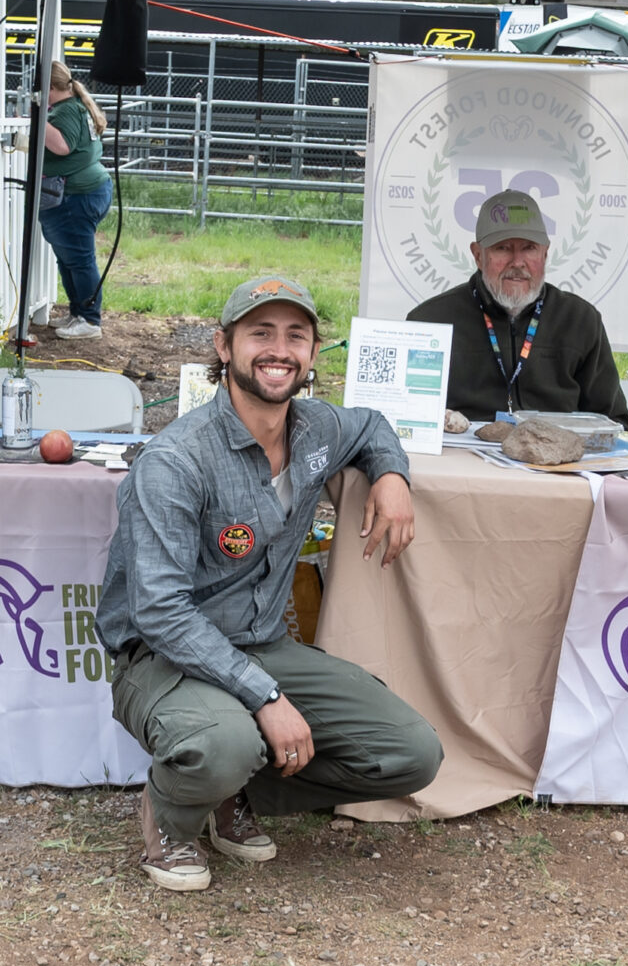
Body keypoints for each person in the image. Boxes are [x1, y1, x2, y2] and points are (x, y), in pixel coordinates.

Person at [99, 273, 439, 892]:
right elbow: (162, 614)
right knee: (223, 744)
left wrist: (391, 476)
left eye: (296, 335)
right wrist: (266, 697)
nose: (278, 349)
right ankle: (173, 813)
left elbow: (372, 425)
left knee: (411, 753)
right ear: (223, 347)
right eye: (260, 333)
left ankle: (235, 794)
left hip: (260, 642)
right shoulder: (177, 461)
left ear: (312, 354)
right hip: (163, 656)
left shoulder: (315, 431)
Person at [407, 189, 628, 423]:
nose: (517, 262)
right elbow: (408, 418)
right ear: (478, 255)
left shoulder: (580, 320)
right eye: (502, 248)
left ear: (545, 254)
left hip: (557, 456)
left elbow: (614, 422)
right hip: (460, 457)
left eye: (529, 248)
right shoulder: (430, 321)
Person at [40, 59, 112, 341]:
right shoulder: (75, 107)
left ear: (49, 87)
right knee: (69, 258)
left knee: (79, 259)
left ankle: (90, 320)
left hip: (77, 195)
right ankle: (79, 312)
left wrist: (37, 119)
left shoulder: (65, 111)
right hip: (85, 190)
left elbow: (62, 146)